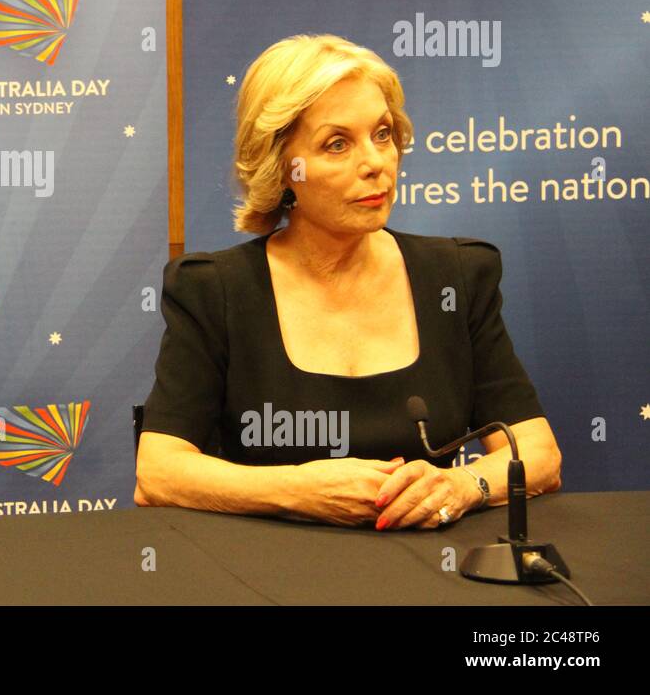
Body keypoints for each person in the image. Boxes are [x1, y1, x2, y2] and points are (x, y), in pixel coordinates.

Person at [135, 34, 561, 530]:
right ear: (282, 167)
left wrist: (465, 485)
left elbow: (538, 454)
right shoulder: (216, 291)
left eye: (382, 134)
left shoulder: (456, 277)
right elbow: (158, 471)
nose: (375, 163)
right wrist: (297, 490)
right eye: (337, 144)